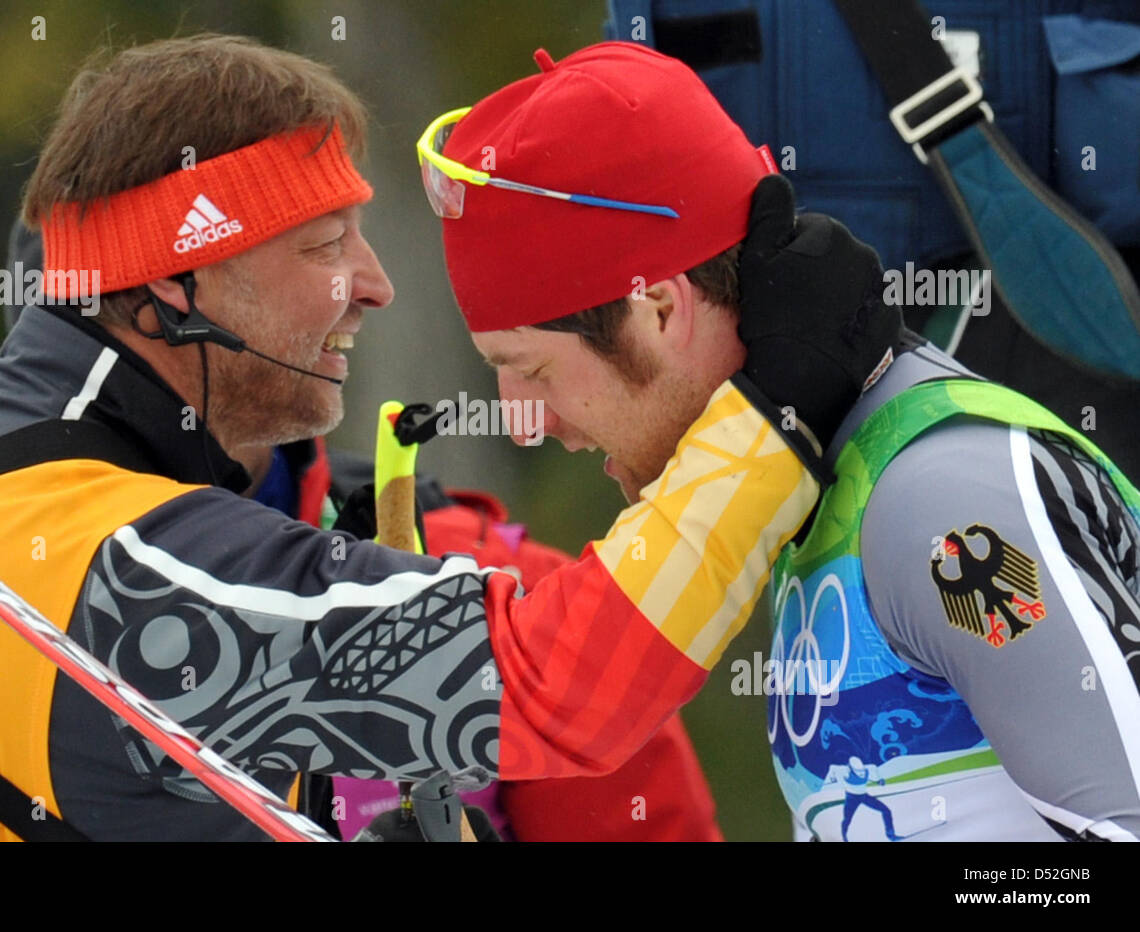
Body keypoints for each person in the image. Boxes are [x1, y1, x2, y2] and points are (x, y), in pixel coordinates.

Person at [0, 34, 893, 841]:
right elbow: (560, 685)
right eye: (320, 246)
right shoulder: (109, 560)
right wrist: (777, 414)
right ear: (171, 282)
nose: (376, 287)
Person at [422, 39, 1140, 841]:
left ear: (658, 310)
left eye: (531, 372)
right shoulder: (816, 484)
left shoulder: (938, 498)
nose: (526, 420)